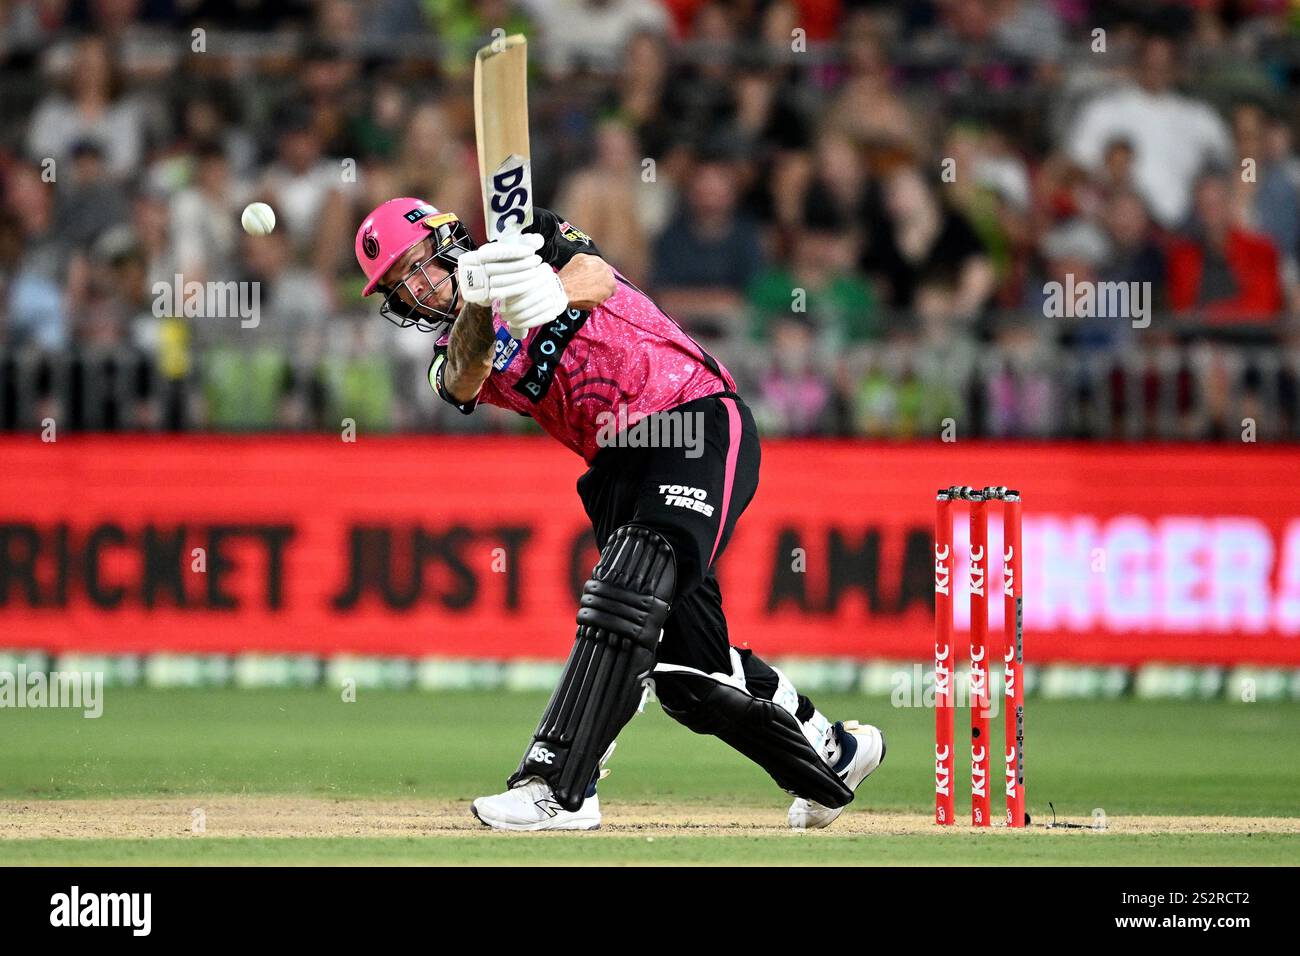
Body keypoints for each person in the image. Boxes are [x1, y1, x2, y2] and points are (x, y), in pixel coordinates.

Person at [353, 197, 886, 830]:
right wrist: (479, 301)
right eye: (400, 287)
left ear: (444, 239)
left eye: (417, 267)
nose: (416, 291)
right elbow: (464, 380)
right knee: (693, 678)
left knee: (624, 592)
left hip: (690, 418)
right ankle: (834, 754)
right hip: (616, 466)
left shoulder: (524, 234)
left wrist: (537, 288)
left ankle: (559, 786)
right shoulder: (455, 344)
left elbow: (597, 276)